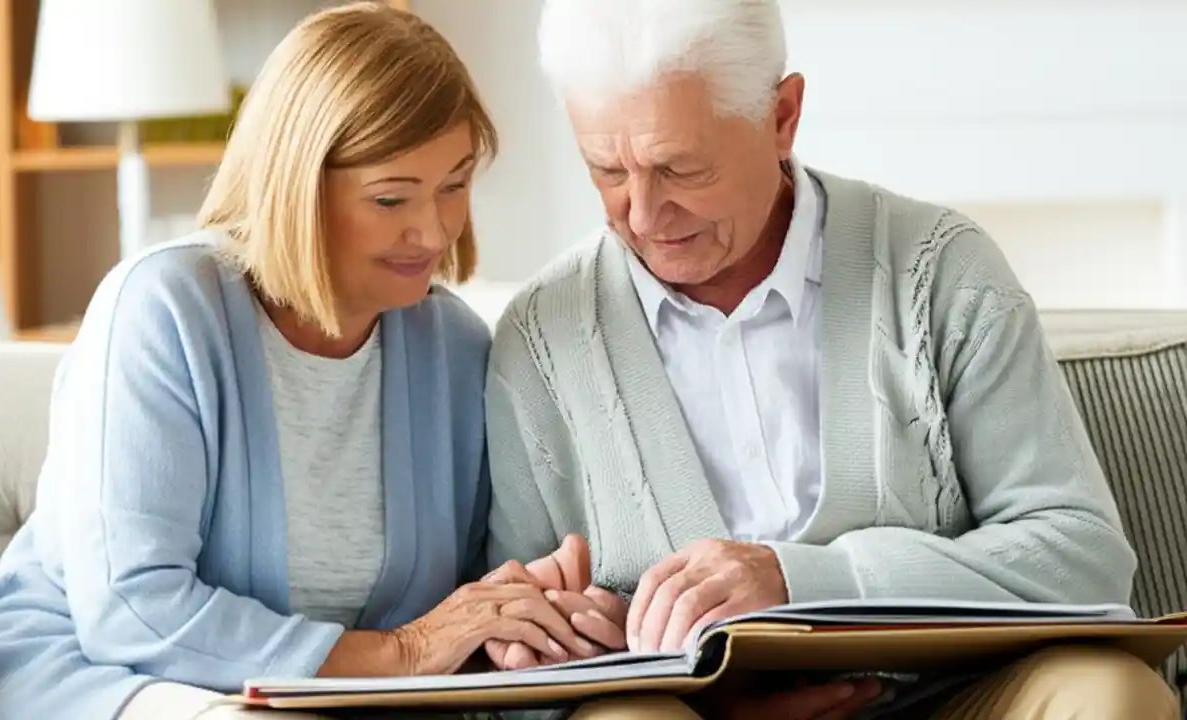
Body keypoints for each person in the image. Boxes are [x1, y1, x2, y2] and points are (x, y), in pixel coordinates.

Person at [485, 0, 1181, 717]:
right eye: (607, 170)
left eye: (680, 168)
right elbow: (514, 667)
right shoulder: (543, 337)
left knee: (1111, 694)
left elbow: (1084, 558)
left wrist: (803, 579)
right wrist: (559, 641)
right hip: (689, 714)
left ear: (782, 116)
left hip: (954, 699)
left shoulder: (940, 272)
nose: (641, 214)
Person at [0, 5, 625, 720]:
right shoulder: (164, 311)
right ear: (297, 188)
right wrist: (400, 653)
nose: (432, 230)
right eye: (391, 196)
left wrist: (532, 622)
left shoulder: (455, 349)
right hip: (106, 683)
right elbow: (131, 611)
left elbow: (455, 613)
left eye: (455, 185)